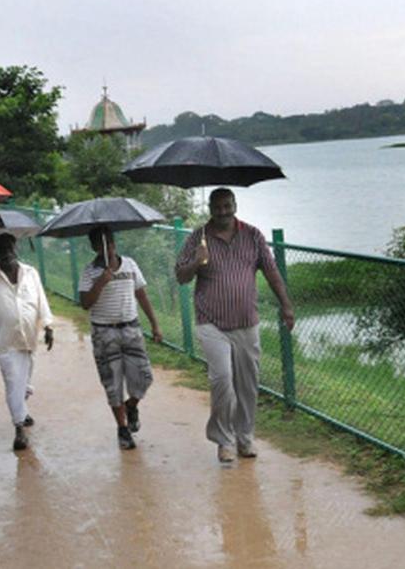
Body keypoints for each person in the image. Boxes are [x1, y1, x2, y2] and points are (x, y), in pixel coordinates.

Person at [175, 188, 295, 463]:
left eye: (227, 206)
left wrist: (286, 305)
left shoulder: (253, 235)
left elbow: (272, 271)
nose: (223, 211)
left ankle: (245, 438)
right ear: (210, 208)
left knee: (248, 385)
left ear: (235, 205)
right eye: (217, 207)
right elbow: (181, 276)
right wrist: (196, 261)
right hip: (211, 322)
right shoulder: (198, 237)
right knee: (222, 381)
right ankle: (224, 441)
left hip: (246, 322)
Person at [78, 226, 163, 451]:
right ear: (94, 247)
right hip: (104, 332)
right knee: (112, 383)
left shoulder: (130, 264)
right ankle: (122, 428)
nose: (105, 247)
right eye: (99, 243)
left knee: (144, 377)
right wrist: (101, 282)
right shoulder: (90, 272)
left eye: (108, 242)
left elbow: (141, 295)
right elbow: (85, 303)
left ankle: (131, 405)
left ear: (114, 243)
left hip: (131, 329)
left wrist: (154, 324)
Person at [0, 233, 54, 451]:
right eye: (1, 249)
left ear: (15, 249)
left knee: (24, 379)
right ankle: (19, 427)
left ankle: (22, 408)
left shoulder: (30, 273)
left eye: (9, 248)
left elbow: (41, 299)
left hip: (28, 337)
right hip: (5, 340)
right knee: (13, 381)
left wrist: (48, 326)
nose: (6, 253)